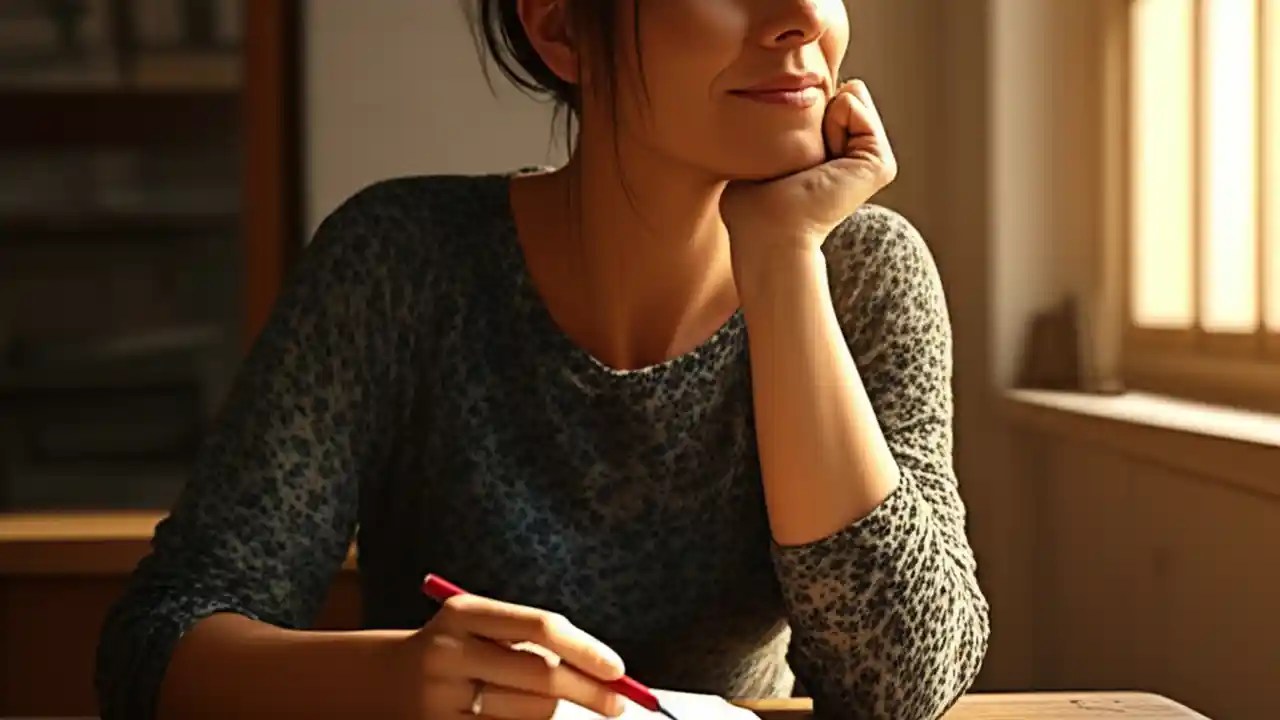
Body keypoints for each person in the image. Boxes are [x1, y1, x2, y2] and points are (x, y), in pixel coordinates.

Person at [95, 1, 989, 718]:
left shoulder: (863, 272)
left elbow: (901, 689)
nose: (802, 18)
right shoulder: (401, 262)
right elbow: (156, 646)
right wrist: (399, 681)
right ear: (561, 27)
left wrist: (784, 259)